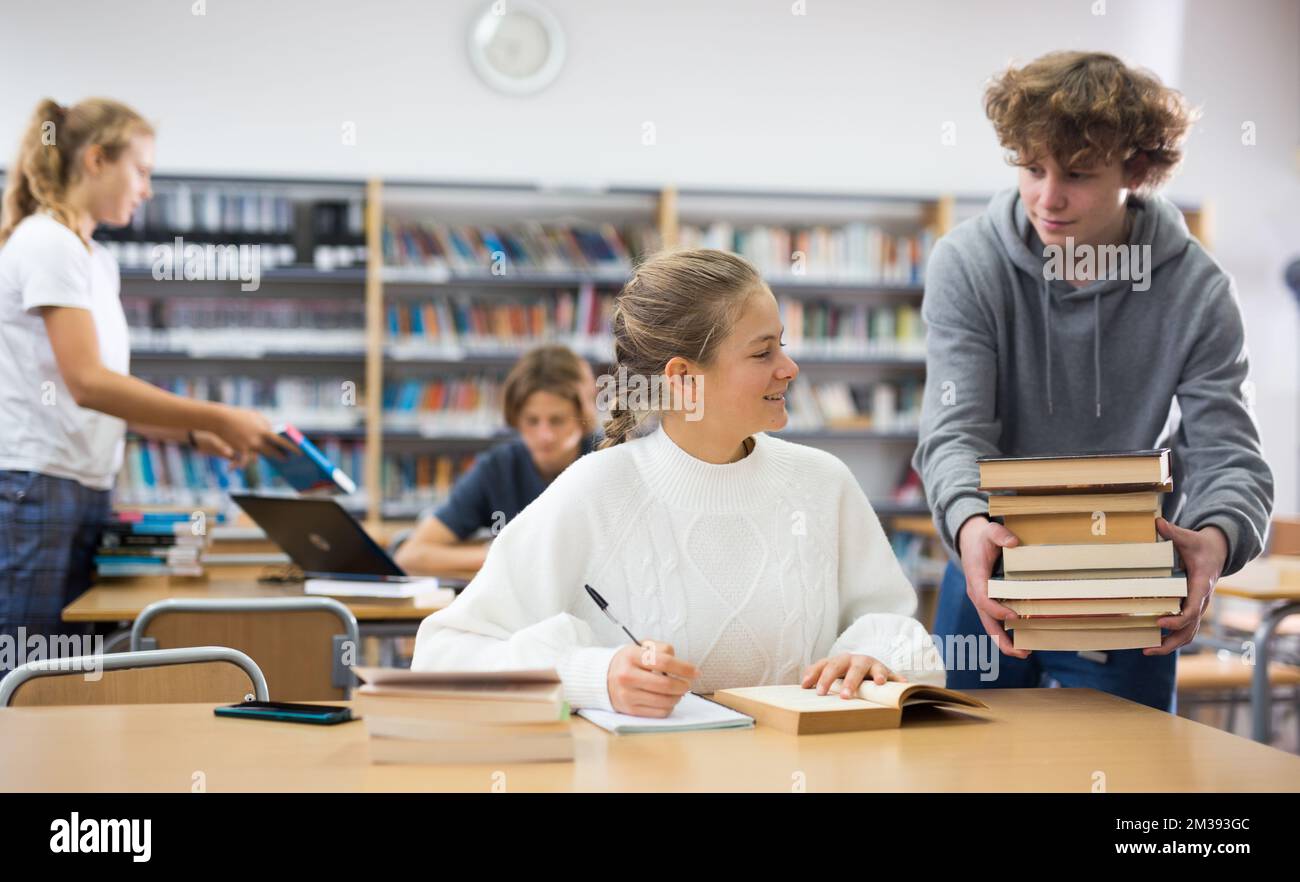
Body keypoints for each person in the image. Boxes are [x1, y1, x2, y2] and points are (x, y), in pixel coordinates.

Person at [411, 249, 943, 716]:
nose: (790, 367)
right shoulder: (595, 491)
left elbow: (896, 631)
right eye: (763, 353)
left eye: (781, 345)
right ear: (682, 378)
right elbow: (442, 657)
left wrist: (875, 661)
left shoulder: (823, 484)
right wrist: (591, 678)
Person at [912, 52, 1274, 711]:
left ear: (1135, 170)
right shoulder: (967, 263)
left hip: (1128, 579)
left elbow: (1229, 455)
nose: (1048, 198)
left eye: (1078, 175)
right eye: (1031, 169)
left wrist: (1214, 543)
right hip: (989, 560)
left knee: (1125, 776)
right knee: (961, 769)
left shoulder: (1196, 289)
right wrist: (967, 525)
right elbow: (954, 429)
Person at [0, 97, 291, 651]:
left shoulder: (94, 260)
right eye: (142, 170)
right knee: (23, 668)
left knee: (72, 664)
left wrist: (191, 433)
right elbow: (88, 381)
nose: (147, 189)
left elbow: (102, 398)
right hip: (36, 485)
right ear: (95, 160)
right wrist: (219, 414)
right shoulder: (47, 243)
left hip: (85, 484)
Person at [395, 344, 599, 576]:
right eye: (532, 421)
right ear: (516, 419)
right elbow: (411, 556)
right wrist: (506, 553)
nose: (545, 435)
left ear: (584, 417)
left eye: (557, 420)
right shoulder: (498, 469)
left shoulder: (609, 460)